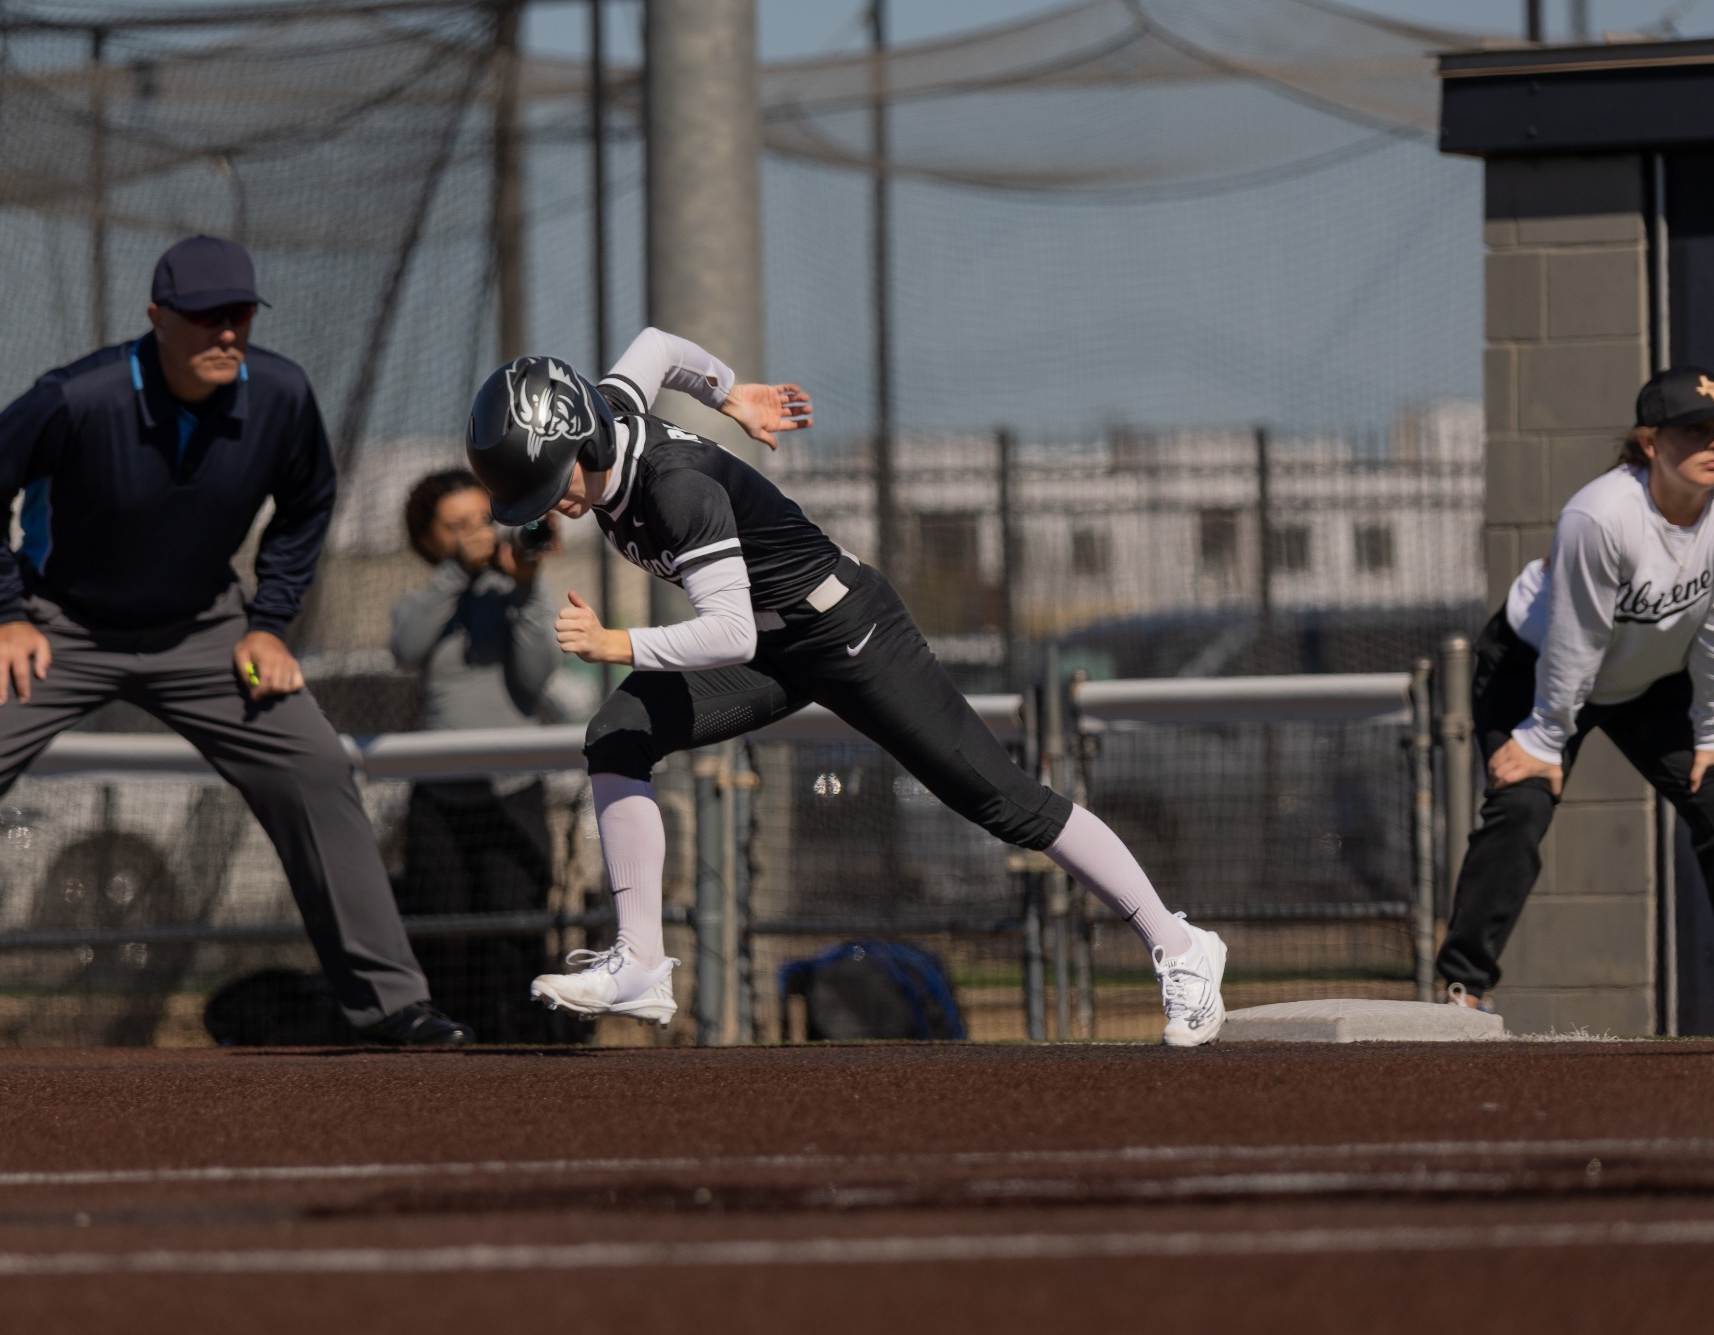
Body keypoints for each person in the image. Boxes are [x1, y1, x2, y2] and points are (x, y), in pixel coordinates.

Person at [0, 235, 471, 1048]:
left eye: (240, 315)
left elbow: (306, 505)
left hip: (205, 628)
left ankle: (393, 1004)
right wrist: (5, 611)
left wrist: (269, 623)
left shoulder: (283, 395)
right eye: (204, 316)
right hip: (60, 627)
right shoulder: (80, 397)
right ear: (157, 319)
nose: (226, 331)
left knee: (318, 766)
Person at [465, 328, 1229, 1046]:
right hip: (775, 642)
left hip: (846, 630)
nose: (550, 504)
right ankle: (639, 963)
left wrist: (617, 643)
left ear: (586, 438)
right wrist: (732, 395)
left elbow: (727, 632)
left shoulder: (675, 489)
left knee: (1001, 800)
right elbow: (659, 348)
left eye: (549, 479)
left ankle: (1182, 943)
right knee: (617, 734)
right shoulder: (611, 408)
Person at [1439, 365, 1714, 1012]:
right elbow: (1576, 641)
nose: (1712, 444)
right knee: (1522, 804)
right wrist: (1542, 738)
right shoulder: (1600, 516)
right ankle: (1461, 986)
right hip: (1537, 666)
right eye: (1693, 431)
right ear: (1649, 443)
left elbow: (1713, 629)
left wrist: (1710, 730)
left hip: (1645, 678)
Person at [390, 469, 569, 1042]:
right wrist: (455, 574)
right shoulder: (426, 600)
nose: (475, 534)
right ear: (428, 538)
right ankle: (447, 1060)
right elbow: (405, 648)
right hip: (439, 799)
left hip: (512, 795)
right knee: (445, 940)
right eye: (456, 526)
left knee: (516, 933)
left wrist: (529, 583)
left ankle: (523, 1049)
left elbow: (538, 675)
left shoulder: (515, 592)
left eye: (480, 521)